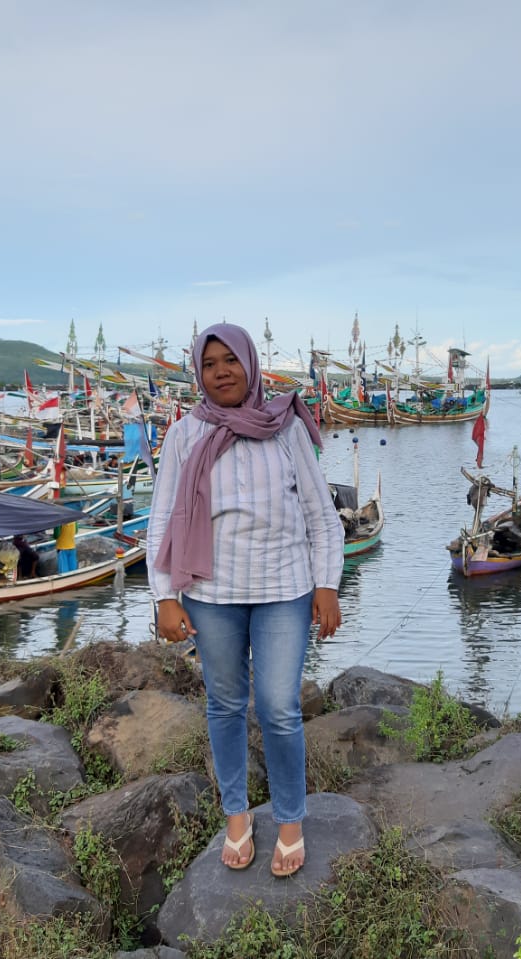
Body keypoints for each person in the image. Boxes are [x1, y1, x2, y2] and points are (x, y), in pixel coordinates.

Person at [147, 322, 343, 878]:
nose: (222, 372)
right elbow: (162, 516)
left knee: (279, 707)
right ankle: (237, 814)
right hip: (211, 593)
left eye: (230, 360)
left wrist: (326, 584)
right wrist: (164, 595)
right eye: (210, 364)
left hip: (284, 588)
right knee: (226, 705)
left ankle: (289, 819)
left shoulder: (285, 428)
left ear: (251, 364)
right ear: (199, 374)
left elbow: (320, 516)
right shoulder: (186, 434)